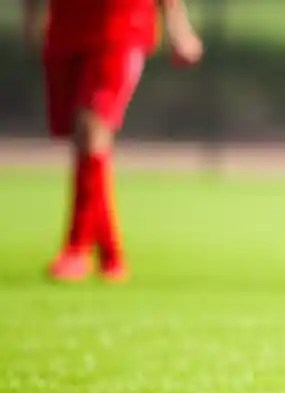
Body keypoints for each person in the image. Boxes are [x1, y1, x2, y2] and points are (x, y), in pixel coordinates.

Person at [23, 0, 203, 283]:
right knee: (84, 141)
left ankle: (77, 250)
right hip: (66, 28)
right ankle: (111, 255)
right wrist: (32, 18)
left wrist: (178, 28)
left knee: (91, 127)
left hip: (122, 25)